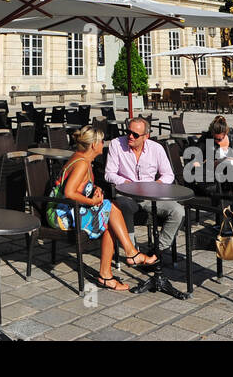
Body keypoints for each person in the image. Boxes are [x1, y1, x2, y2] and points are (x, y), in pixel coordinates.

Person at [49, 125, 158, 292]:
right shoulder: (82, 164)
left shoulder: (81, 158)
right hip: (62, 215)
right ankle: (130, 253)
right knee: (112, 207)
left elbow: (79, 187)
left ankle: (107, 274)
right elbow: (69, 192)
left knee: (109, 217)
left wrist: (94, 189)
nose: (103, 144)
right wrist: (92, 202)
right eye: (101, 142)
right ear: (93, 145)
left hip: (71, 209)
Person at [103, 117, 187, 299]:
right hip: (126, 194)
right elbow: (109, 174)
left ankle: (157, 251)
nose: (130, 136)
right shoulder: (117, 145)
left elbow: (168, 175)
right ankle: (133, 252)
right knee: (122, 206)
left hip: (151, 196)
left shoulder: (156, 149)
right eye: (128, 132)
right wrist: (125, 182)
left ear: (146, 136)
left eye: (135, 134)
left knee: (179, 211)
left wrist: (155, 186)